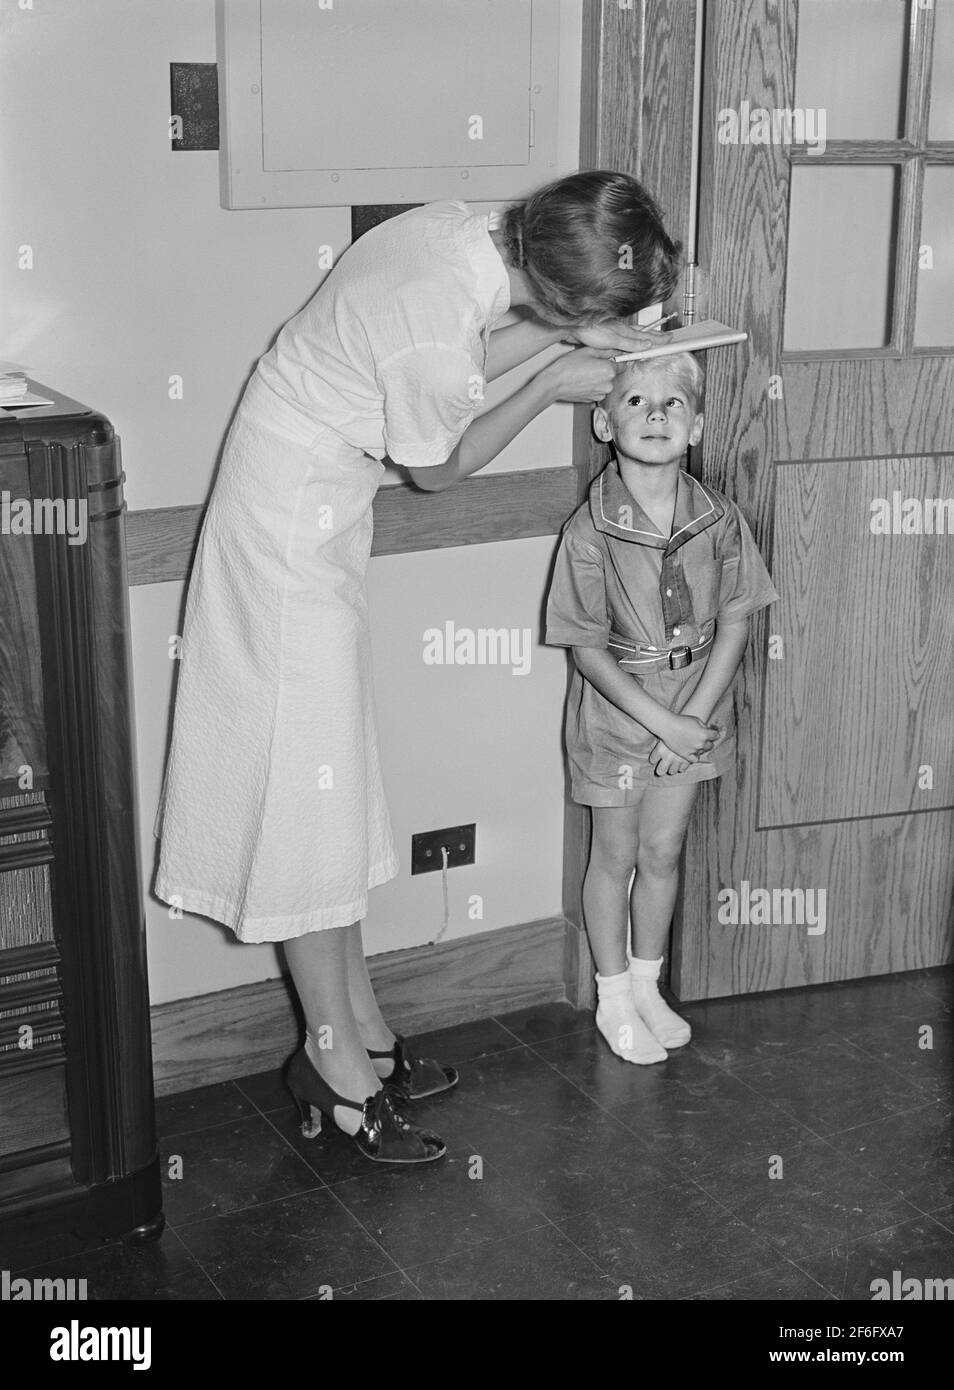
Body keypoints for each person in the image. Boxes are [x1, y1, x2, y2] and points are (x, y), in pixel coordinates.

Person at [154, 171, 681, 1162]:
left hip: (310, 503)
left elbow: (467, 341)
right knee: (306, 812)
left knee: (334, 784)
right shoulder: (438, 326)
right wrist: (554, 378)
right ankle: (334, 1069)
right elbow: (437, 466)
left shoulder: (470, 232)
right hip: (283, 533)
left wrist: (573, 339)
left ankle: (366, 1034)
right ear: (564, 281)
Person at [545, 352, 779, 1065]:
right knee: (614, 855)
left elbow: (737, 620)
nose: (654, 415)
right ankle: (612, 996)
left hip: (694, 704)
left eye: (671, 404)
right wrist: (663, 723)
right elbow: (586, 649)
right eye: (636, 400)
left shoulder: (719, 519)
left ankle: (647, 986)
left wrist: (694, 721)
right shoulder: (590, 532)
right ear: (603, 419)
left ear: (697, 424)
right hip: (620, 716)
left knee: (663, 850)